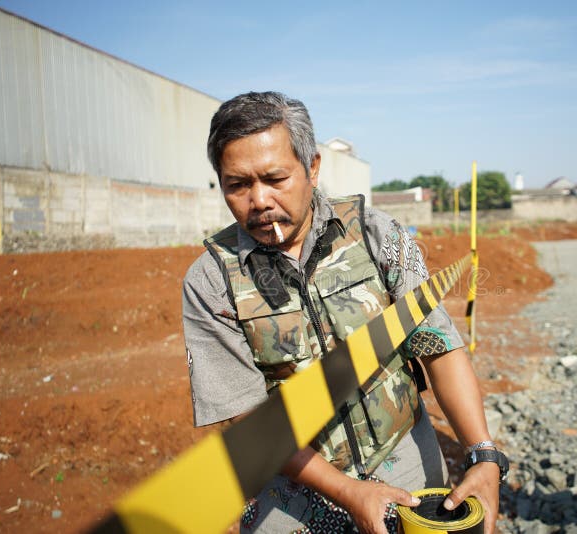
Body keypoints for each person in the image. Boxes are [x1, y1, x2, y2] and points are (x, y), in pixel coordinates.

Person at [182, 91, 505, 534]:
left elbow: (438, 346)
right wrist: (348, 491)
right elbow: (247, 418)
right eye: (237, 184)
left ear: (312, 168)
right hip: (292, 493)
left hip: (407, 463)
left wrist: (483, 453)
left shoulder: (378, 235)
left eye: (275, 178)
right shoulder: (211, 282)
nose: (258, 200)